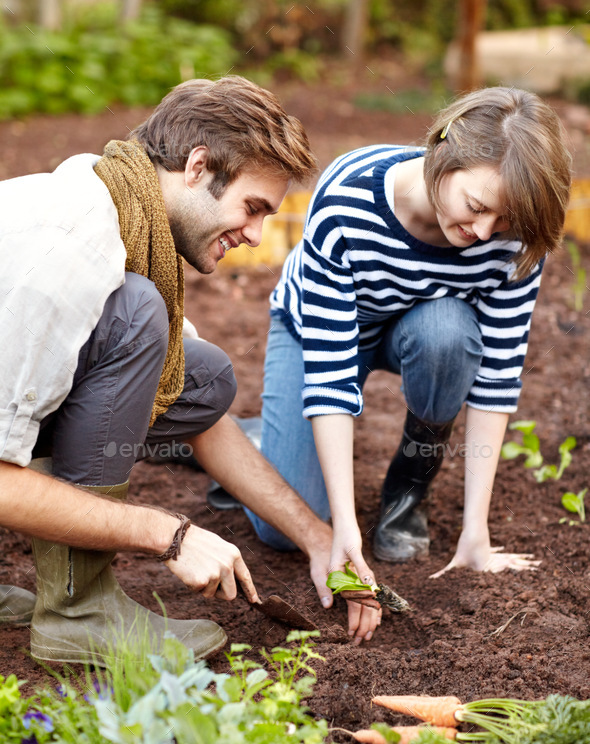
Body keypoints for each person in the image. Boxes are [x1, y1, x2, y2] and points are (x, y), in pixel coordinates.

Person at [0, 75, 381, 665]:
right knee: (135, 317)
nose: (256, 236)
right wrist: (168, 533)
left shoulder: (126, 211)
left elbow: (204, 417)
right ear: (198, 167)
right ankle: (78, 613)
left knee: (198, 378)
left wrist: (317, 536)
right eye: (252, 208)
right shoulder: (70, 250)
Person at [248, 87, 572, 585]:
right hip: (320, 330)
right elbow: (332, 372)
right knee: (283, 531)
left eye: (502, 219)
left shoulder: (515, 237)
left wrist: (476, 532)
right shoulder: (349, 197)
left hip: (419, 330)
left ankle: (407, 492)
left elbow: (498, 374)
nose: (484, 232)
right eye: (475, 205)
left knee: (449, 334)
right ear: (443, 152)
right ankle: (262, 440)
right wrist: (345, 529)